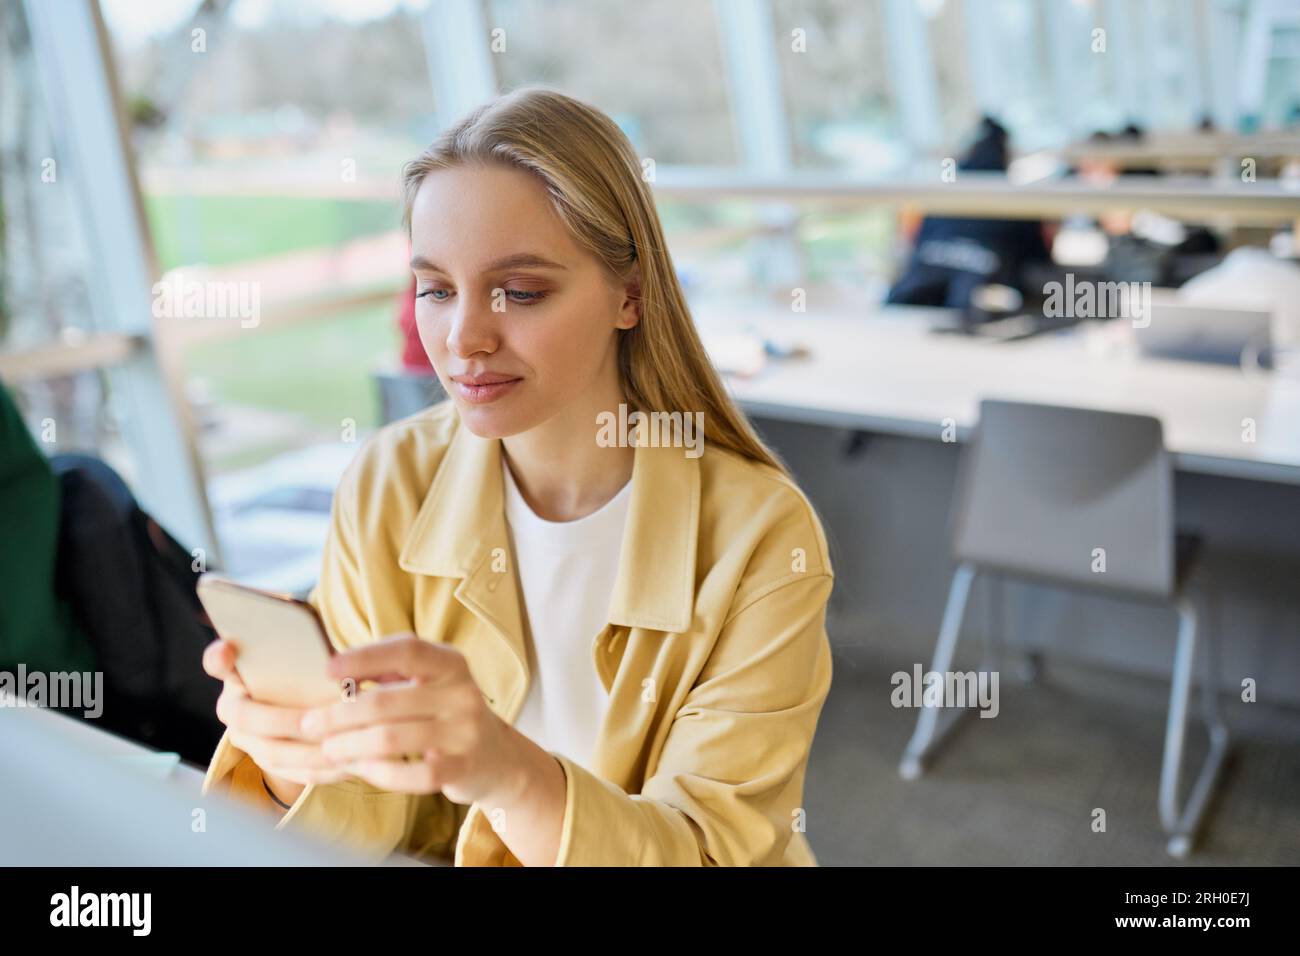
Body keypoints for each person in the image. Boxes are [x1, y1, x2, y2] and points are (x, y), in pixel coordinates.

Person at [200, 86, 836, 867]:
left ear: (629, 296)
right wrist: (294, 770)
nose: (464, 339)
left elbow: (707, 852)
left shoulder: (763, 537)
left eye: (521, 292)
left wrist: (507, 772)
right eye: (435, 289)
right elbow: (384, 806)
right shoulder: (388, 482)